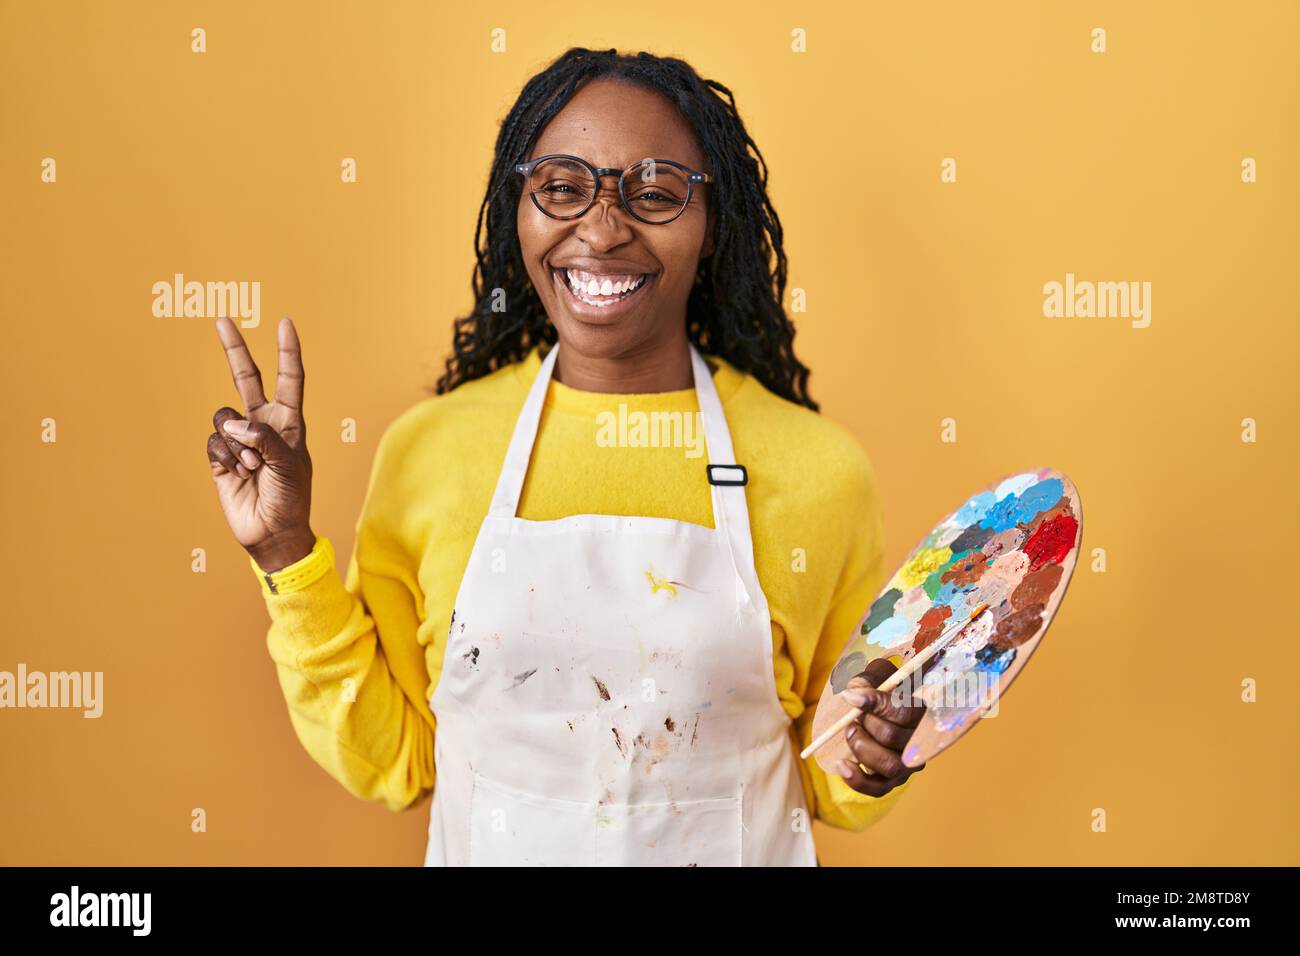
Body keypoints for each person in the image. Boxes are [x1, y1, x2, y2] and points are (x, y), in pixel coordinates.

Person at [205, 47, 924, 866]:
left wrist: (876, 751)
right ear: (520, 210)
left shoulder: (819, 470)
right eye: (562, 186)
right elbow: (400, 758)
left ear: (712, 223)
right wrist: (283, 550)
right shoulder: (432, 453)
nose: (604, 228)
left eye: (654, 192)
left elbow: (834, 778)